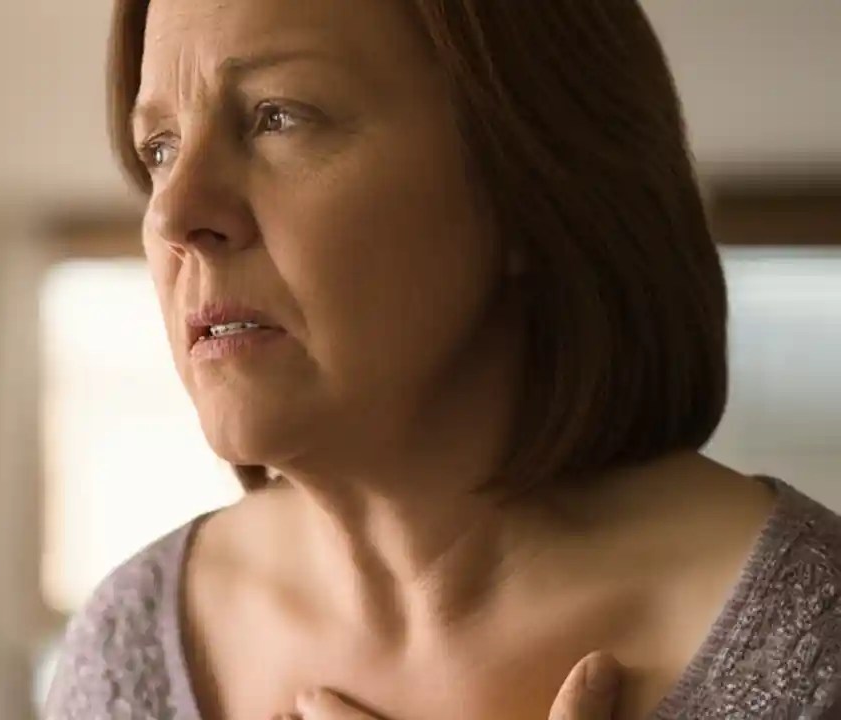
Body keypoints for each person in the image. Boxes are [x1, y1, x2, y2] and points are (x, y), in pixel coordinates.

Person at [46, 0, 841, 718]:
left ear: (532, 182)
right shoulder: (133, 650)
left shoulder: (814, 644)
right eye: (158, 147)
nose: (176, 214)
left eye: (277, 116)